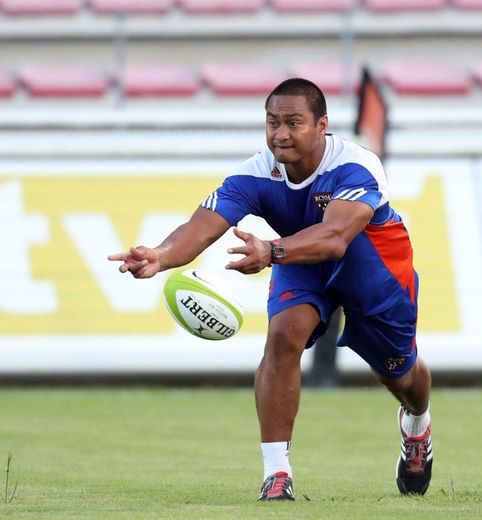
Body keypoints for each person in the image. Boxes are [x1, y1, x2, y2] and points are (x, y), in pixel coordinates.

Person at [108, 78, 433, 500]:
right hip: (298, 259)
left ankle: (417, 425)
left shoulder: (356, 165)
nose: (280, 133)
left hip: (373, 267)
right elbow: (201, 228)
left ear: (322, 126)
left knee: (401, 374)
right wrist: (161, 255)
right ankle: (277, 472)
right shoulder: (256, 172)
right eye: (273, 122)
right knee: (282, 339)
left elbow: (335, 237)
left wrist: (270, 250)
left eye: (294, 122)